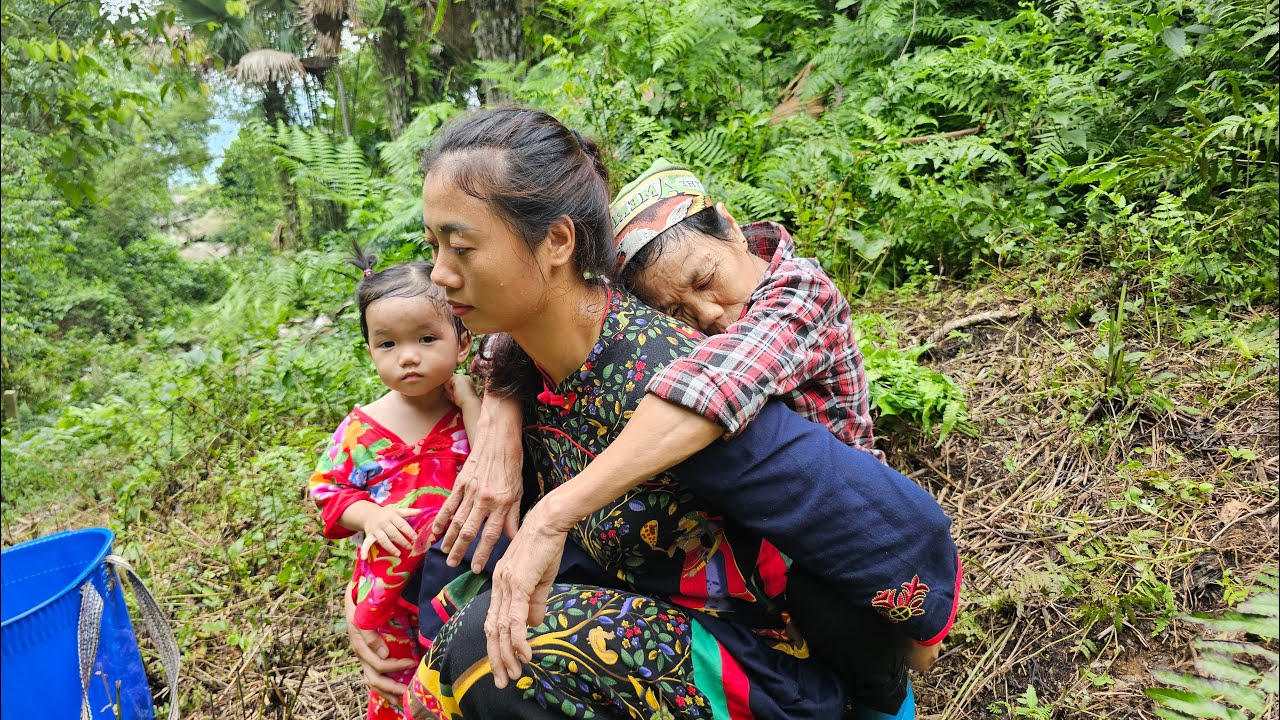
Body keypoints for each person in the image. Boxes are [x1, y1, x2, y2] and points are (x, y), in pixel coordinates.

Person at [395, 106, 960, 719]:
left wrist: (907, 642)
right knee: (462, 645)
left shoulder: (681, 377)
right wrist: (500, 419)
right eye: (434, 247)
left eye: (462, 247)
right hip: (668, 619)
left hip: (775, 661)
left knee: (493, 650)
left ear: (558, 241)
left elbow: (875, 516)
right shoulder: (536, 364)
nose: (441, 275)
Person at [308, 248, 480, 720]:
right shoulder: (362, 429)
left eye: (427, 338)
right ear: (370, 352)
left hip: (461, 585)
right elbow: (326, 491)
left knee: (460, 688)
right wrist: (372, 515)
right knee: (399, 692)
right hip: (390, 596)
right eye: (388, 344)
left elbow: (496, 469)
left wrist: (470, 407)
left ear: (462, 342)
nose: (408, 357)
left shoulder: (475, 411)